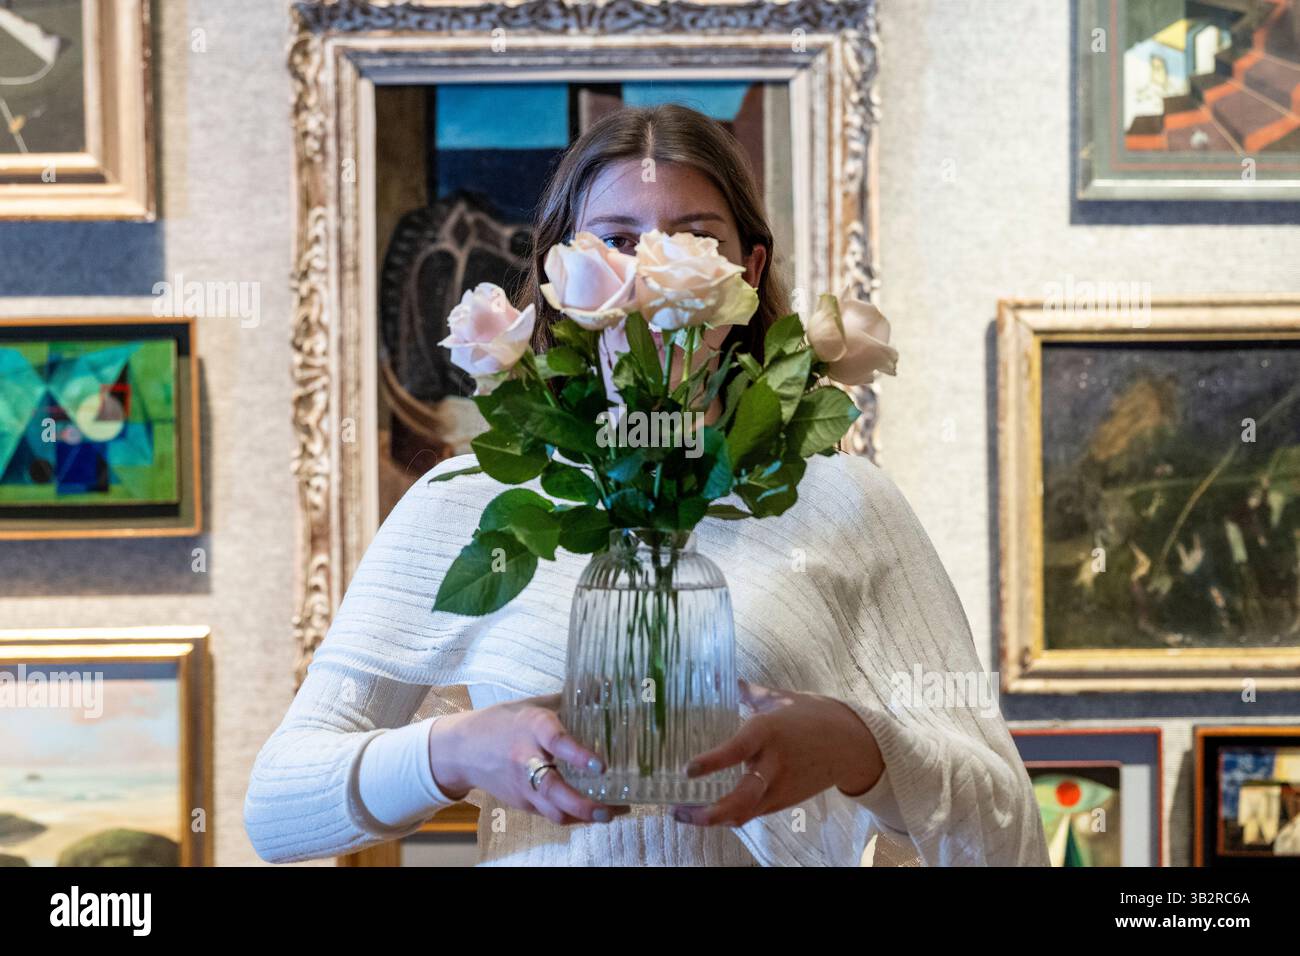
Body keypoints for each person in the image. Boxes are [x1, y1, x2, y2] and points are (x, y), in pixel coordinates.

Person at [243, 103, 1050, 867]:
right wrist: (454, 751)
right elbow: (276, 810)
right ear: (560, 274)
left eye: (691, 239)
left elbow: (1006, 832)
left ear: (748, 267)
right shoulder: (466, 499)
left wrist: (859, 748)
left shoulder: (845, 502)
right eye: (618, 242)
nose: (650, 274)